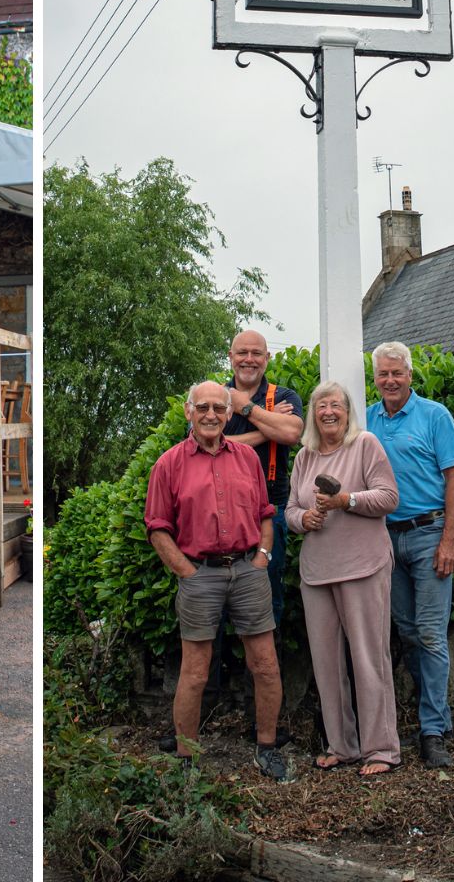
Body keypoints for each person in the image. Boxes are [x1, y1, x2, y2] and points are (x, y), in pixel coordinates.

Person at [145, 380, 288, 781]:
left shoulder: (247, 458)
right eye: (203, 407)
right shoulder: (168, 464)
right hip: (200, 574)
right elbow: (157, 528)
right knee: (195, 672)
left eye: (219, 408)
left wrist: (262, 558)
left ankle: (267, 748)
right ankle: (186, 759)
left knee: (265, 665)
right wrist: (186, 573)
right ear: (188, 412)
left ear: (229, 414)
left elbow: (265, 513)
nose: (211, 415)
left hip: (248, 571)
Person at [287, 381, 401, 776]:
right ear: (313, 415)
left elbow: (389, 497)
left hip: (363, 566)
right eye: (321, 406)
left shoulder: (365, 445)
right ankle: (342, 745)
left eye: (335, 405)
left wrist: (345, 500)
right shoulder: (304, 457)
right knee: (327, 664)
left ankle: (381, 749)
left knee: (369, 659)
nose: (328, 412)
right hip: (317, 572)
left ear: (348, 412)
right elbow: (289, 510)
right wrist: (304, 519)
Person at [367, 341, 454, 768]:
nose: (390, 380)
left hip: (428, 535)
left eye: (397, 373)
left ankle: (433, 732)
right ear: (375, 378)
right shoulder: (367, 419)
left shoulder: (434, 415)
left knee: (430, 634)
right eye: (383, 374)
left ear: (410, 375)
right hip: (383, 539)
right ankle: (433, 718)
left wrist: (449, 541)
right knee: (407, 632)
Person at [223, 330, 305, 628]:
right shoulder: (215, 397)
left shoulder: (284, 396)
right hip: (220, 514)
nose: (249, 359)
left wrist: (245, 407)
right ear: (230, 357)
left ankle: (268, 658)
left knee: (268, 602)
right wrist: (267, 428)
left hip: (269, 513)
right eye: (242, 353)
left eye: (256, 353)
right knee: (218, 606)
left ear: (267, 358)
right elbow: (207, 444)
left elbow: (291, 433)